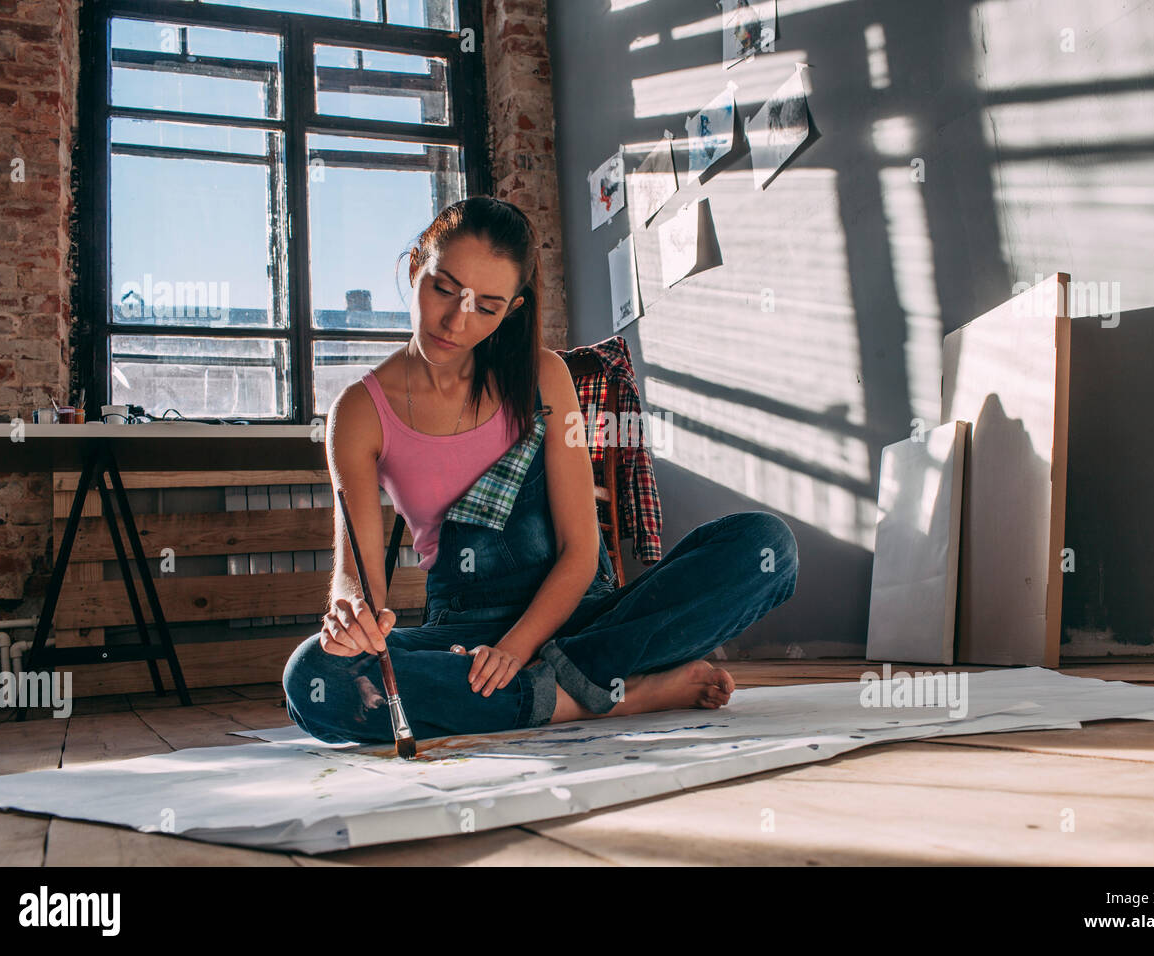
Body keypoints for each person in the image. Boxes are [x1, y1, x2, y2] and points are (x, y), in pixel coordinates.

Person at [282, 196, 799, 744]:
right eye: (442, 288)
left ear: (512, 310)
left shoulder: (544, 377)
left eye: (487, 305)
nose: (457, 321)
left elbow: (581, 553)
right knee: (315, 675)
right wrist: (351, 614)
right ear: (415, 268)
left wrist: (517, 651)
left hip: (585, 613)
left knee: (767, 545)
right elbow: (358, 575)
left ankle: (556, 688)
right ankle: (614, 694)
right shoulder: (359, 412)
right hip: (465, 629)